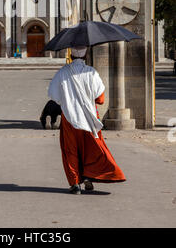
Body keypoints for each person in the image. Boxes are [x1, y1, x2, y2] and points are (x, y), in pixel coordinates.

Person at [48, 46, 126, 194]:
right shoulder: (92, 73)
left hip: (69, 117)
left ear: (70, 55)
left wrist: (69, 100)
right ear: (85, 55)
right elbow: (101, 99)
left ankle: (75, 183)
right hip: (89, 118)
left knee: (70, 150)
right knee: (90, 149)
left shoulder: (63, 73)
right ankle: (89, 176)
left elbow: (55, 97)